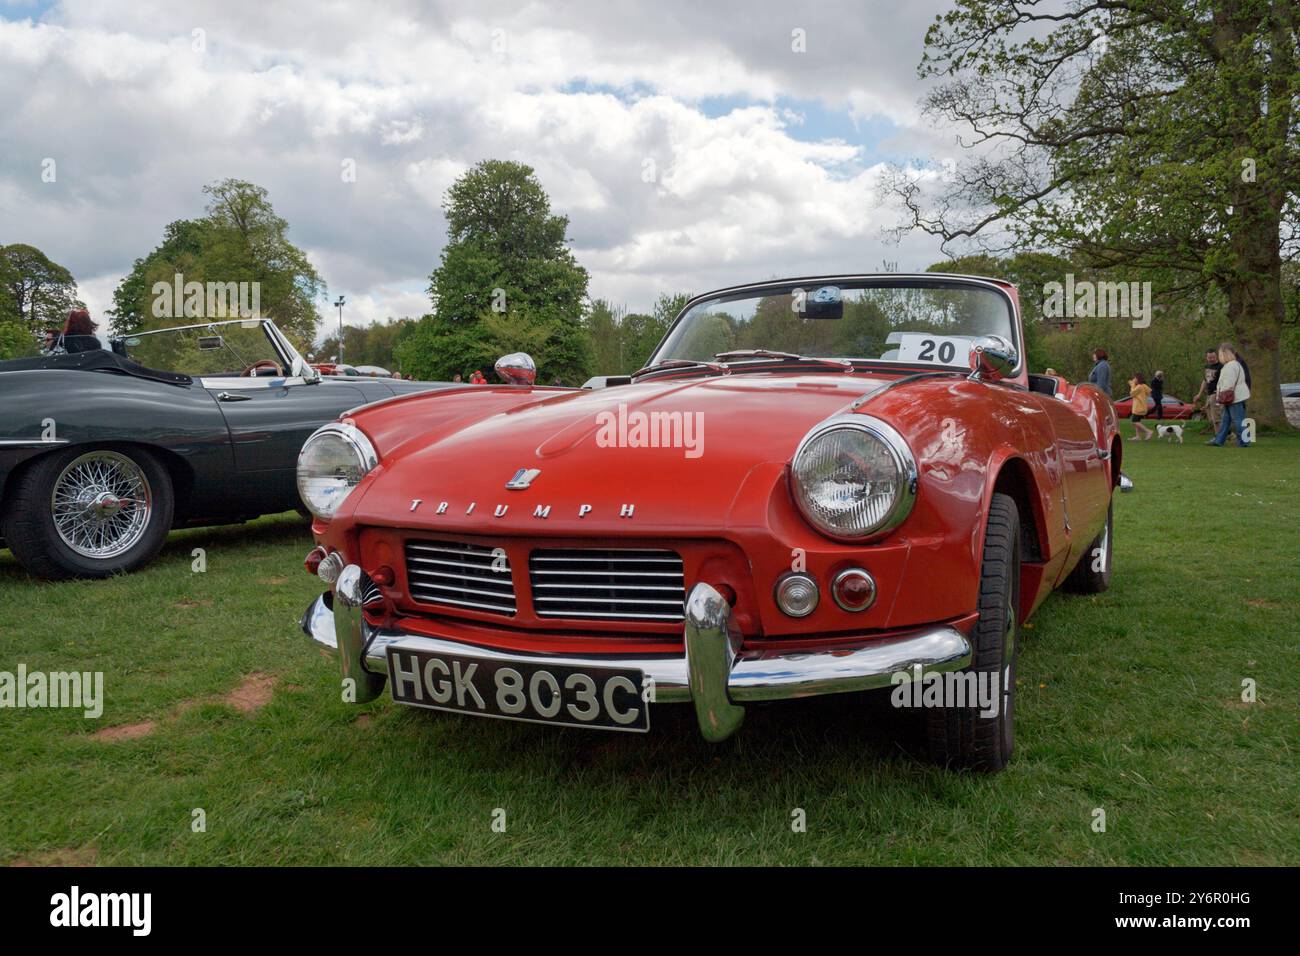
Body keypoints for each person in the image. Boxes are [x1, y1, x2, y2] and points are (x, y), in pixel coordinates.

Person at [1208, 343, 1251, 447]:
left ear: (1225, 354)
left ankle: (1245, 441)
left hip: (1232, 398)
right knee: (1225, 420)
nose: (1219, 356)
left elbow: (1228, 383)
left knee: (1238, 420)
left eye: (1220, 354)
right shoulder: (1235, 364)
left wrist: (1221, 395)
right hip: (1234, 397)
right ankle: (1219, 440)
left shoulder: (1230, 366)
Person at [1192, 347, 1223, 432]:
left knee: (1216, 418)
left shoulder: (1221, 367)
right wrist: (1199, 394)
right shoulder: (1207, 366)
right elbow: (1205, 380)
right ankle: (1228, 434)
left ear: (1216, 356)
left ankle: (1219, 438)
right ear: (1206, 357)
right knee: (1211, 418)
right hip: (1209, 395)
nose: (1211, 359)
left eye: (1213, 357)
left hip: (1216, 394)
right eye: (1209, 357)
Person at [1128, 373, 1154, 441]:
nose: (1134, 379)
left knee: (1134, 421)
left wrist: (1132, 384)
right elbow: (1150, 392)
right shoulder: (1144, 386)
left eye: (1135, 378)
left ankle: (1148, 431)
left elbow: (1131, 393)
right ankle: (1138, 436)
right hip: (1142, 406)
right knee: (1137, 421)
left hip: (1138, 407)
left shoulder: (1139, 386)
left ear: (1137, 379)